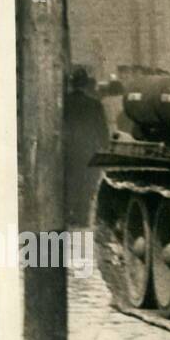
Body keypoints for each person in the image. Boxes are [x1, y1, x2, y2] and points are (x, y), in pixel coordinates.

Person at [64, 67, 111, 228]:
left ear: (71, 83)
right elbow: (102, 130)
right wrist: (105, 147)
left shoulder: (64, 102)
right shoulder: (95, 104)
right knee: (87, 182)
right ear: (85, 84)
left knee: (70, 180)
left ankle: (69, 214)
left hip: (68, 149)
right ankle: (82, 216)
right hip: (88, 150)